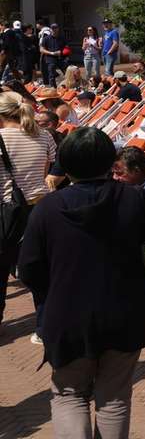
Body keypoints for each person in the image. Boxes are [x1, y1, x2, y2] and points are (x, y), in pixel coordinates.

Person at [18, 127, 145, 439]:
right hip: (125, 311)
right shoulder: (135, 198)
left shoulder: (48, 208)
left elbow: (28, 270)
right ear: (110, 162)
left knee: (69, 394)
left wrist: (54, 288)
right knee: (114, 396)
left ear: (66, 165)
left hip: (67, 315)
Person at [0, 91, 60, 326]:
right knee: (40, 272)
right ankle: (46, 324)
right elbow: (44, 174)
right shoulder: (44, 136)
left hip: (6, 210)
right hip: (40, 209)